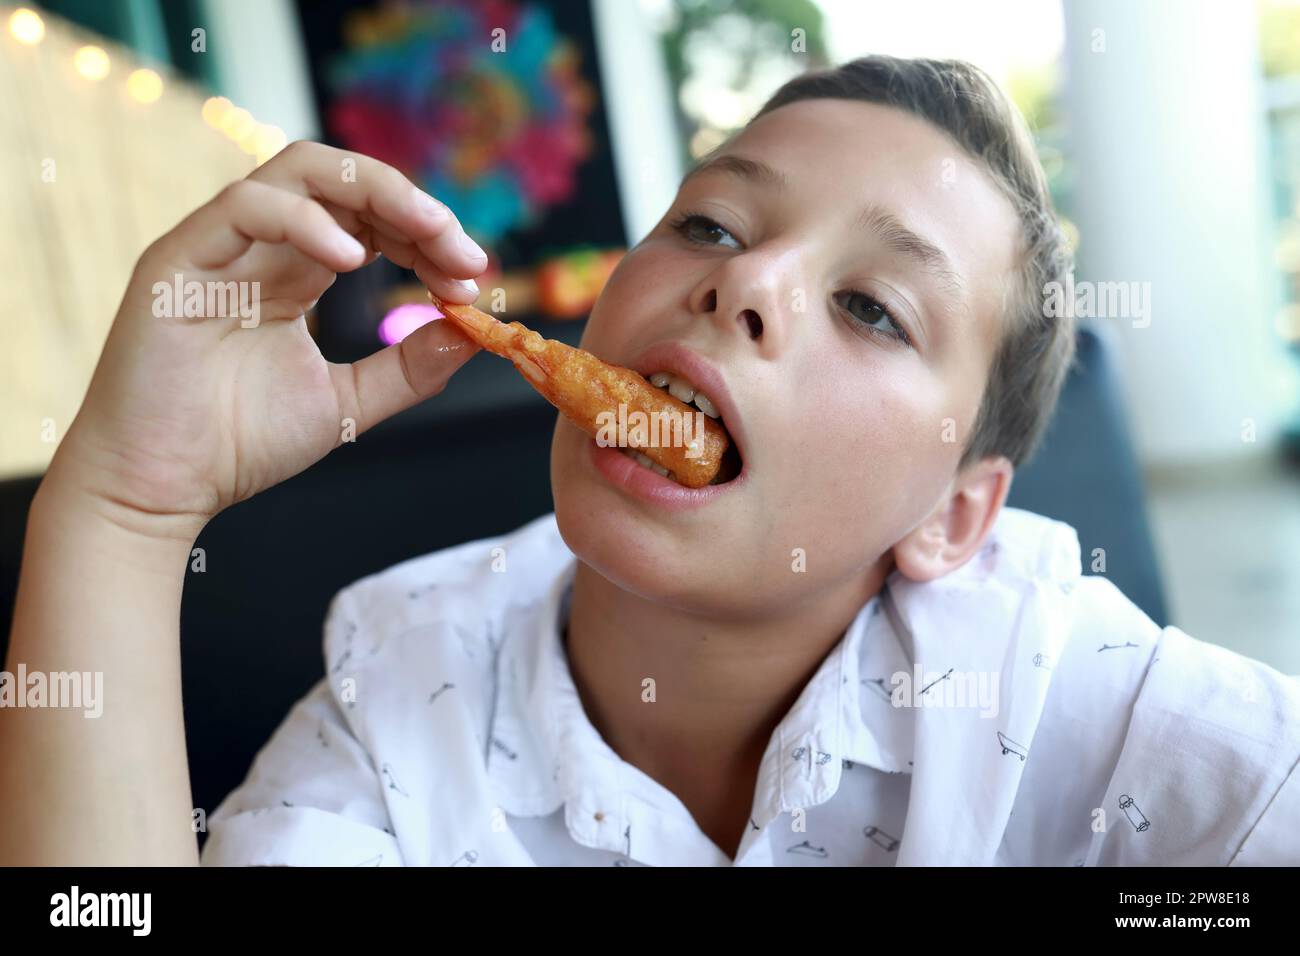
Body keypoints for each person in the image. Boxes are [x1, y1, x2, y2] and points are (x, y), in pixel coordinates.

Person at [3, 56, 1296, 867]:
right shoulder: (404, 699)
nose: (748, 277)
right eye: (714, 222)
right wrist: (124, 507)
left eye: (872, 308)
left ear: (956, 518)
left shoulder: (1075, 700)